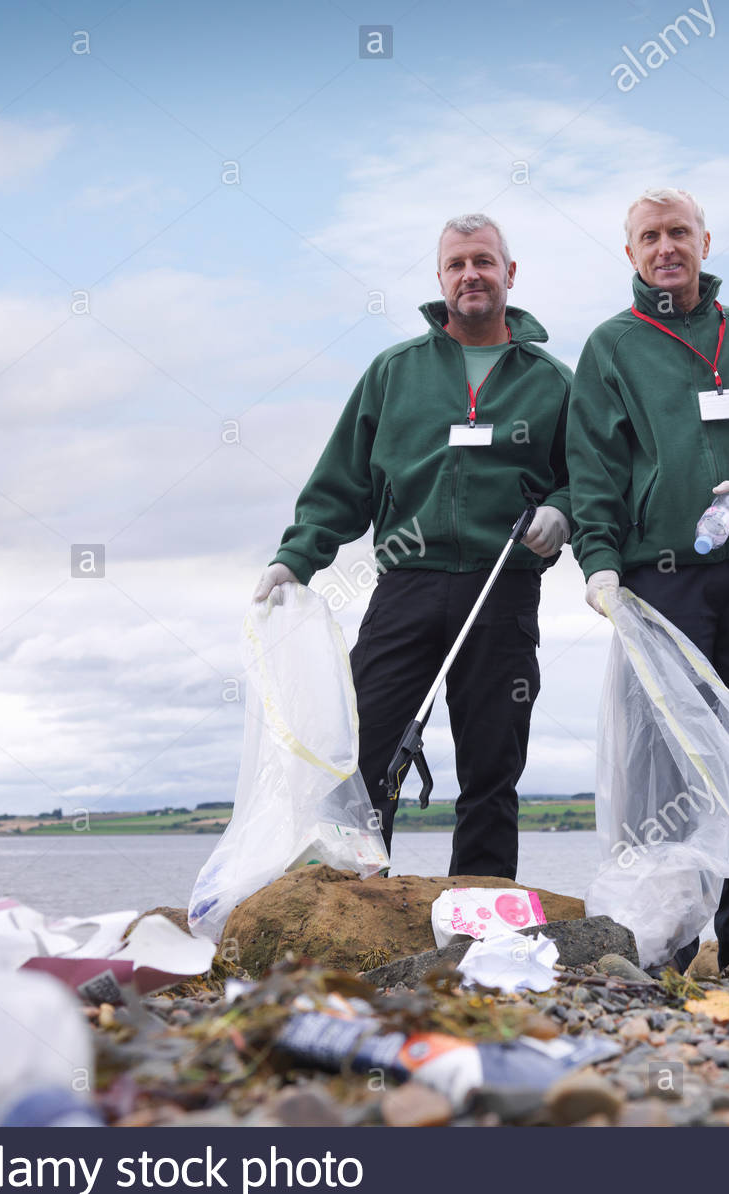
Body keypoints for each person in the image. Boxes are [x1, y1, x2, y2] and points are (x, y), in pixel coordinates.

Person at [253, 214, 572, 880]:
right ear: (439, 279)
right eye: (457, 264)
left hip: (502, 590)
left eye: (484, 261)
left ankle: (481, 920)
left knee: (492, 766)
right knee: (366, 755)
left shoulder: (551, 381)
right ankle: (356, 903)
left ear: (510, 274)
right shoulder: (393, 373)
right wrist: (296, 556)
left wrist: (561, 513)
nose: (471, 274)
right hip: (406, 588)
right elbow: (342, 482)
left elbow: (589, 481)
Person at [566, 186, 729, 971]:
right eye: (650, 237)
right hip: (660, 582)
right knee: (666, 763)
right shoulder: (610, 347)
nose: (666, 248)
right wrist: (600, 562)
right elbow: (593, 470)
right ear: (631, 253)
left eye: (679, 232)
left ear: (705, 243)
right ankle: (667, 941)